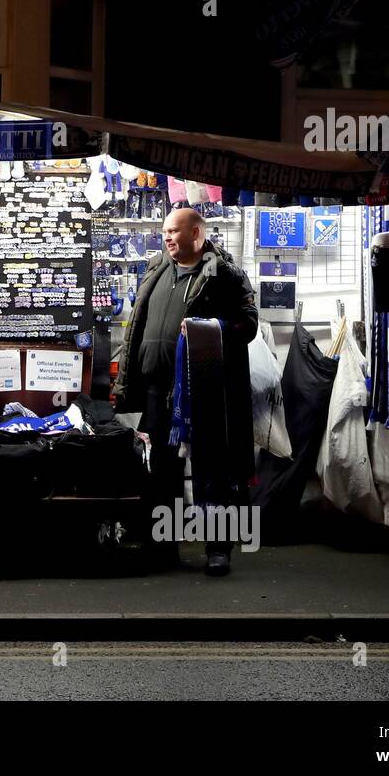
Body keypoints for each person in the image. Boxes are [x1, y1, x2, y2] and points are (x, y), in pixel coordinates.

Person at [111, 207, 258, 576]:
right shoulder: (157, 270)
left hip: (205, 388)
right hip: (156, 389)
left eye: (174, 231)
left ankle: (217, 550)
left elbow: (248, 324)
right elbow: (137, 329)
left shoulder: (224, 274)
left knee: (212, 470)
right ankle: (163, 546)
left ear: (197, 233)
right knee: (162, 470)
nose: (167, 238)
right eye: (164, 232)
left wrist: (210, 327)